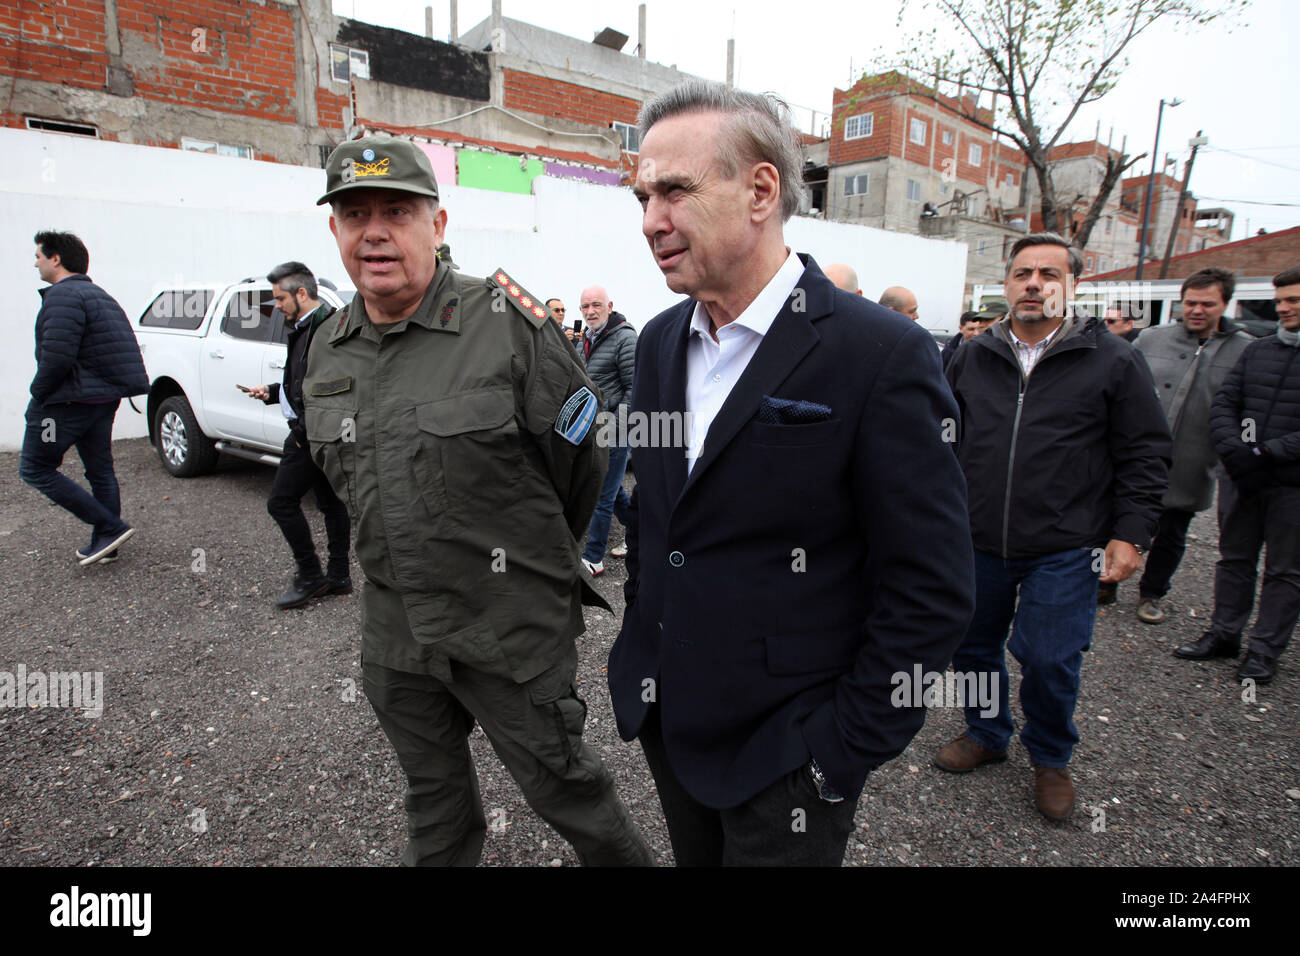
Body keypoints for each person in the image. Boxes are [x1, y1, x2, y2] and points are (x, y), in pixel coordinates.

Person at [609, 80, 974, 866]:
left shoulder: (881, 354)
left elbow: (932, 583)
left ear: (761, 190)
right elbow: (654, 515)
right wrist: (644, 644)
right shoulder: (661, 343)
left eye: (674, 191)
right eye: (642, 196)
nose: (650, 222)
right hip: (670, 722)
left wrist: (839, 752)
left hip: (791, 757)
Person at [302, 135, 651, 867]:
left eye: (397, 211)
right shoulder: (329, 348)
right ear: (334, 230)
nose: (374, 231)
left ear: (439, 223)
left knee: (568, 792)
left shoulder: (507, 325)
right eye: (354, 213)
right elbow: (345, 483)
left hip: (507, 625)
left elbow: (579, 468)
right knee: (433, 803)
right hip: (396, 633)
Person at [939, 233, 1170, 822]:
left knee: (1048, 656)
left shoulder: (1112, 358)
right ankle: (987, 734)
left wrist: (1132, 532)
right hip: (976, 538)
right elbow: (939, 437)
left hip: (1066, 544)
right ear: (1007, 283)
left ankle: (1049, 756)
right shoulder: (973, 353)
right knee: (972, 646)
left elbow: (1145, 451)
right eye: (1022, 274)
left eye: (1048, 274)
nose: (1033, 284)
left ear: (1073, 286)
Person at [1178, 267, 1300, 684]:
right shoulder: (1260, 350)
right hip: (1243, 477)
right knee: (1234, 560)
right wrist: (1235, 450)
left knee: (1285, 571)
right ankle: (1224, 633)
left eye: (1293, 300)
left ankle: (1264, 651)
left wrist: (1267, 452)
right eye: (1280, 300)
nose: (1283, 308)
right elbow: (1226, 402)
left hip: (1291, 485)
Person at [1126, 268, 1252, 623]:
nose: (1196, 310)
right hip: (1136, 455)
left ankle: (1152, 592)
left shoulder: (1244, 351)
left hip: (1193, 461)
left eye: (1207, 304)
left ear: (1225, 304)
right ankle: (1105, 581)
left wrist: (1237, 451)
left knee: (1171, 532)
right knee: (1118, 521)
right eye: (1190, 302)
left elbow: (1247, 410)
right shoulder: (1152, 339)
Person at [20, 230, 149, 566]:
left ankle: (110, 526)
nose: (35, 263)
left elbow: (57, 358)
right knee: (100, 470)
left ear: (55, 258)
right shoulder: (98, 294)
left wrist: (37, 394)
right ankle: (108, 541)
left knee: (36, 467)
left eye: (38, 256)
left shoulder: (63, 297)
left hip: (64, 406)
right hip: (102, 401)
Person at [246, 262, 352, 609]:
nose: (275, 307)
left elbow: (335, 387)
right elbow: (309, 381)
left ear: (301, 294)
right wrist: (274, 391)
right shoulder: (309, 326)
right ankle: (338, 577)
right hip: (316, 431)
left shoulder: (325, 329)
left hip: (312, 434)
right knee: (330, 503)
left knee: (280, 502)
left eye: (279, 299)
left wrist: (303, 433)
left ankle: (311, 577)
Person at [578, 285, 637, 575]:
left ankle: (593, 558)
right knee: (614, 494)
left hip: (615, 430)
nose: (590, 311)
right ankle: (641, 531)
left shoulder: (626, 338)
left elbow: (633, 389)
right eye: (585, 306)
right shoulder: (585, 339)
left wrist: (616, 425)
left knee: (602, 493)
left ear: (610, 306)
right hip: (593, 430)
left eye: (596, 305)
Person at [941, 303, 1004, 369]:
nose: (976, 333)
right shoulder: (947, 354)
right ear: (961, 329)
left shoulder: (988, 353)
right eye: (971, 329)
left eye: (980, 328)